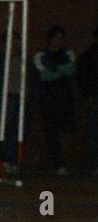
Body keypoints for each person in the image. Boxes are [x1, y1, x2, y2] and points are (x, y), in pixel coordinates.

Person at [32, 25, 77, 175]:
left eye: (61, 38)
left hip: (66, 98)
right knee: (51, 132)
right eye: (55, 37)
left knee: (67, 130)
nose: (58, 41)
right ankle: (58, 164)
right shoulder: (40, 56)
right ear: (49, 39)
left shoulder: (68, 53)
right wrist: (60, 71)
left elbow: (71, 69)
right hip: (49, 99)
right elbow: (45, 76)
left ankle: (67, 161)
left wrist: (54, 71)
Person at [77, 27, 98, 173]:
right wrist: (87, 96)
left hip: (92, 98)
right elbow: (83, 79)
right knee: (94, 133)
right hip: (93, 98)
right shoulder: (88, 56)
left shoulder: (87, 56)